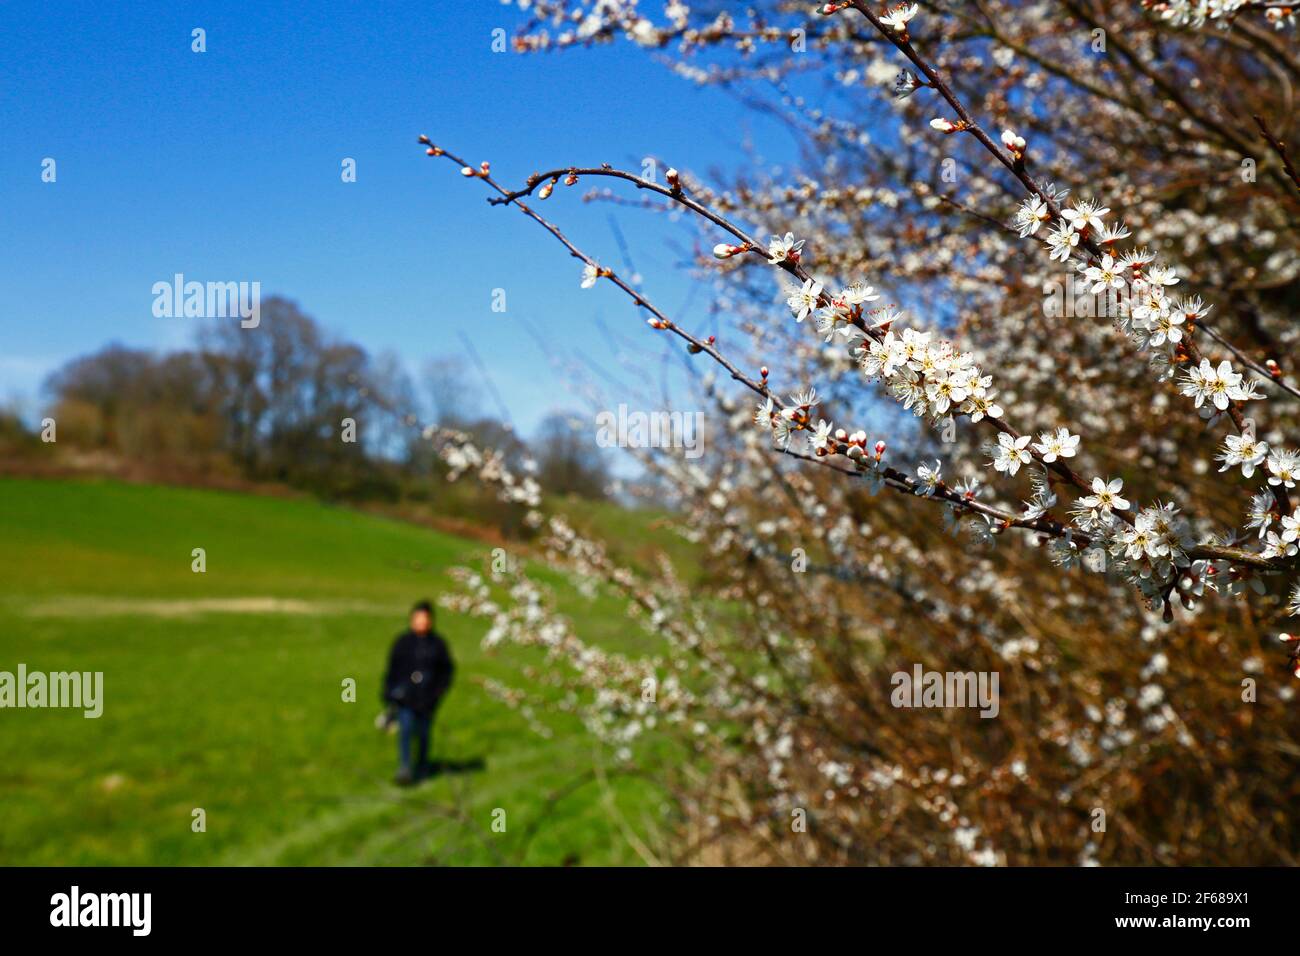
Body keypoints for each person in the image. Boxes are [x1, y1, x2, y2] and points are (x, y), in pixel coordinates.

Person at [382, 600, 454, 785]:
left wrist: (437, 693)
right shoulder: (403, 643)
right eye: (418, 619)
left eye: (424, 619)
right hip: (405, 698)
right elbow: (392, 669)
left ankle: (422, 766)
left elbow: (447, 671)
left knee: (423, 733)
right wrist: (389, 693)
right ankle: (405, 767)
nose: (421, 623)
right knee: (405, 730)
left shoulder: (437, 645)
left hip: (427, 699)